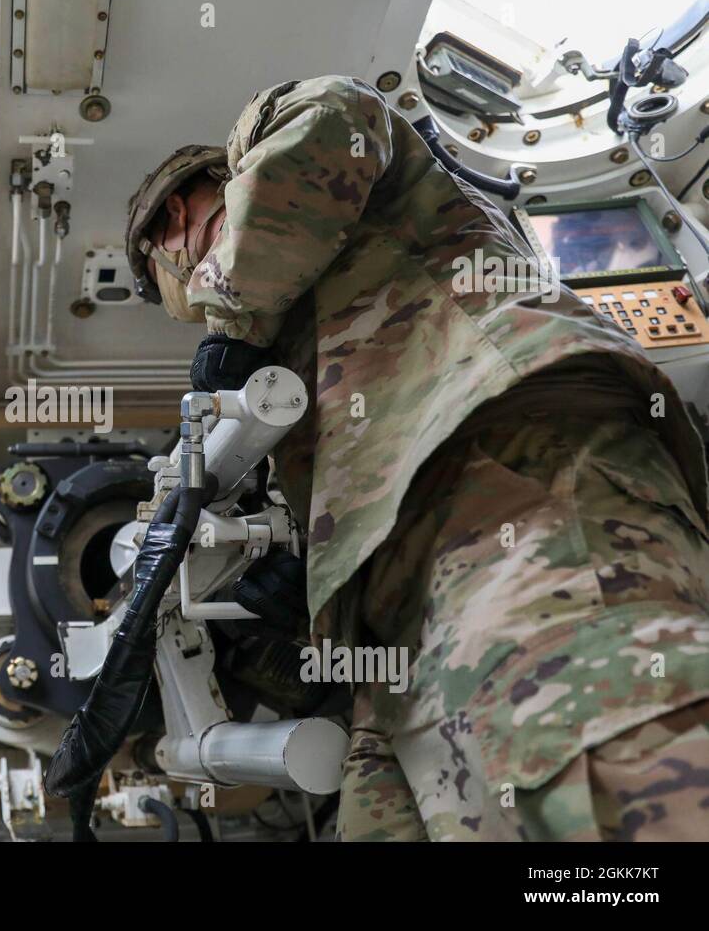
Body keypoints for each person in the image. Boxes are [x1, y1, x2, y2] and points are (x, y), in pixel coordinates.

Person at [125, 76, 709, 840]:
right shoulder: (297, 341)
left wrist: (229, 319)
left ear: (174, 221)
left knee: (600, 736)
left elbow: (338, 118)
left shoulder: (286, 137)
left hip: (506, 464)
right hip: (396, 611)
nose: (202, 305)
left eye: (182, 278)